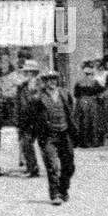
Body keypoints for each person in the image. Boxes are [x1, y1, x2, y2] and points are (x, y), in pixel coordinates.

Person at [22, 69, 76, 206]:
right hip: (47, 136)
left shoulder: (65, 94)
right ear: (44, 82)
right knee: (52, 166)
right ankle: (55, 194)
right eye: (48, 79)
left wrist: (73, 130)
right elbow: (31, 118)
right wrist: (30, 136)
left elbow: (70, 111)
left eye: (54, 79)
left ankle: (63, 189)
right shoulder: (38, 98)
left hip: (64, 134)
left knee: (69, 166)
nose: (52, 82)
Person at [13, 59, 42, 177]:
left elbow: (39, 101)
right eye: (26, 72)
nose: (27, 74)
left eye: (30, 72)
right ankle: (31, 167)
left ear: (34, 73)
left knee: (35, 144)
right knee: (26, 143)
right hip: (24, 119)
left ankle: (33, 168)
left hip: (37, 119)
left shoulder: (40, 85)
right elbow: (18, 103)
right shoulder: (22, 87)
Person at [72, 61, 107, 148]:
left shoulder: (79, 82)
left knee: (82, 121)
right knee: (93, 121)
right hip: (92, 102)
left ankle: (83, 142)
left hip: (81, 102)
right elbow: (101, 90)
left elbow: (75, 94)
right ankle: (93, 141)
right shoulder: (94, 82)